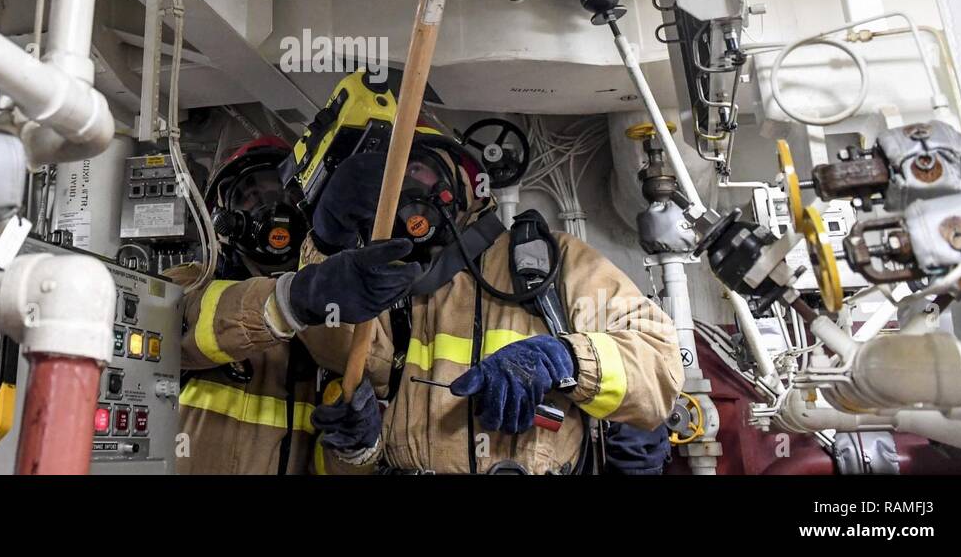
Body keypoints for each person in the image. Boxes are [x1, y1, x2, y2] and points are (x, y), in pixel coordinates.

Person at [308, 132, 684, 475]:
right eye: (393, 176)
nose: (404, 185)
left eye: (417, 168)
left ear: (468, 184)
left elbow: (660, 370)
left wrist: (566, 359)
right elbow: (335, 351)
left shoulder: (554, 263)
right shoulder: (385, 285)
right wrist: (327, 244)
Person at [166, 137, 418, 474]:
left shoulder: (341, 316)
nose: (271, 206)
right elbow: (178, 330)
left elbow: (326, 465)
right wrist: (292, 300)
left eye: (285, 193)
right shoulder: (191, 282)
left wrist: (354, 452)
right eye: (249, 195)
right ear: (221, 219)